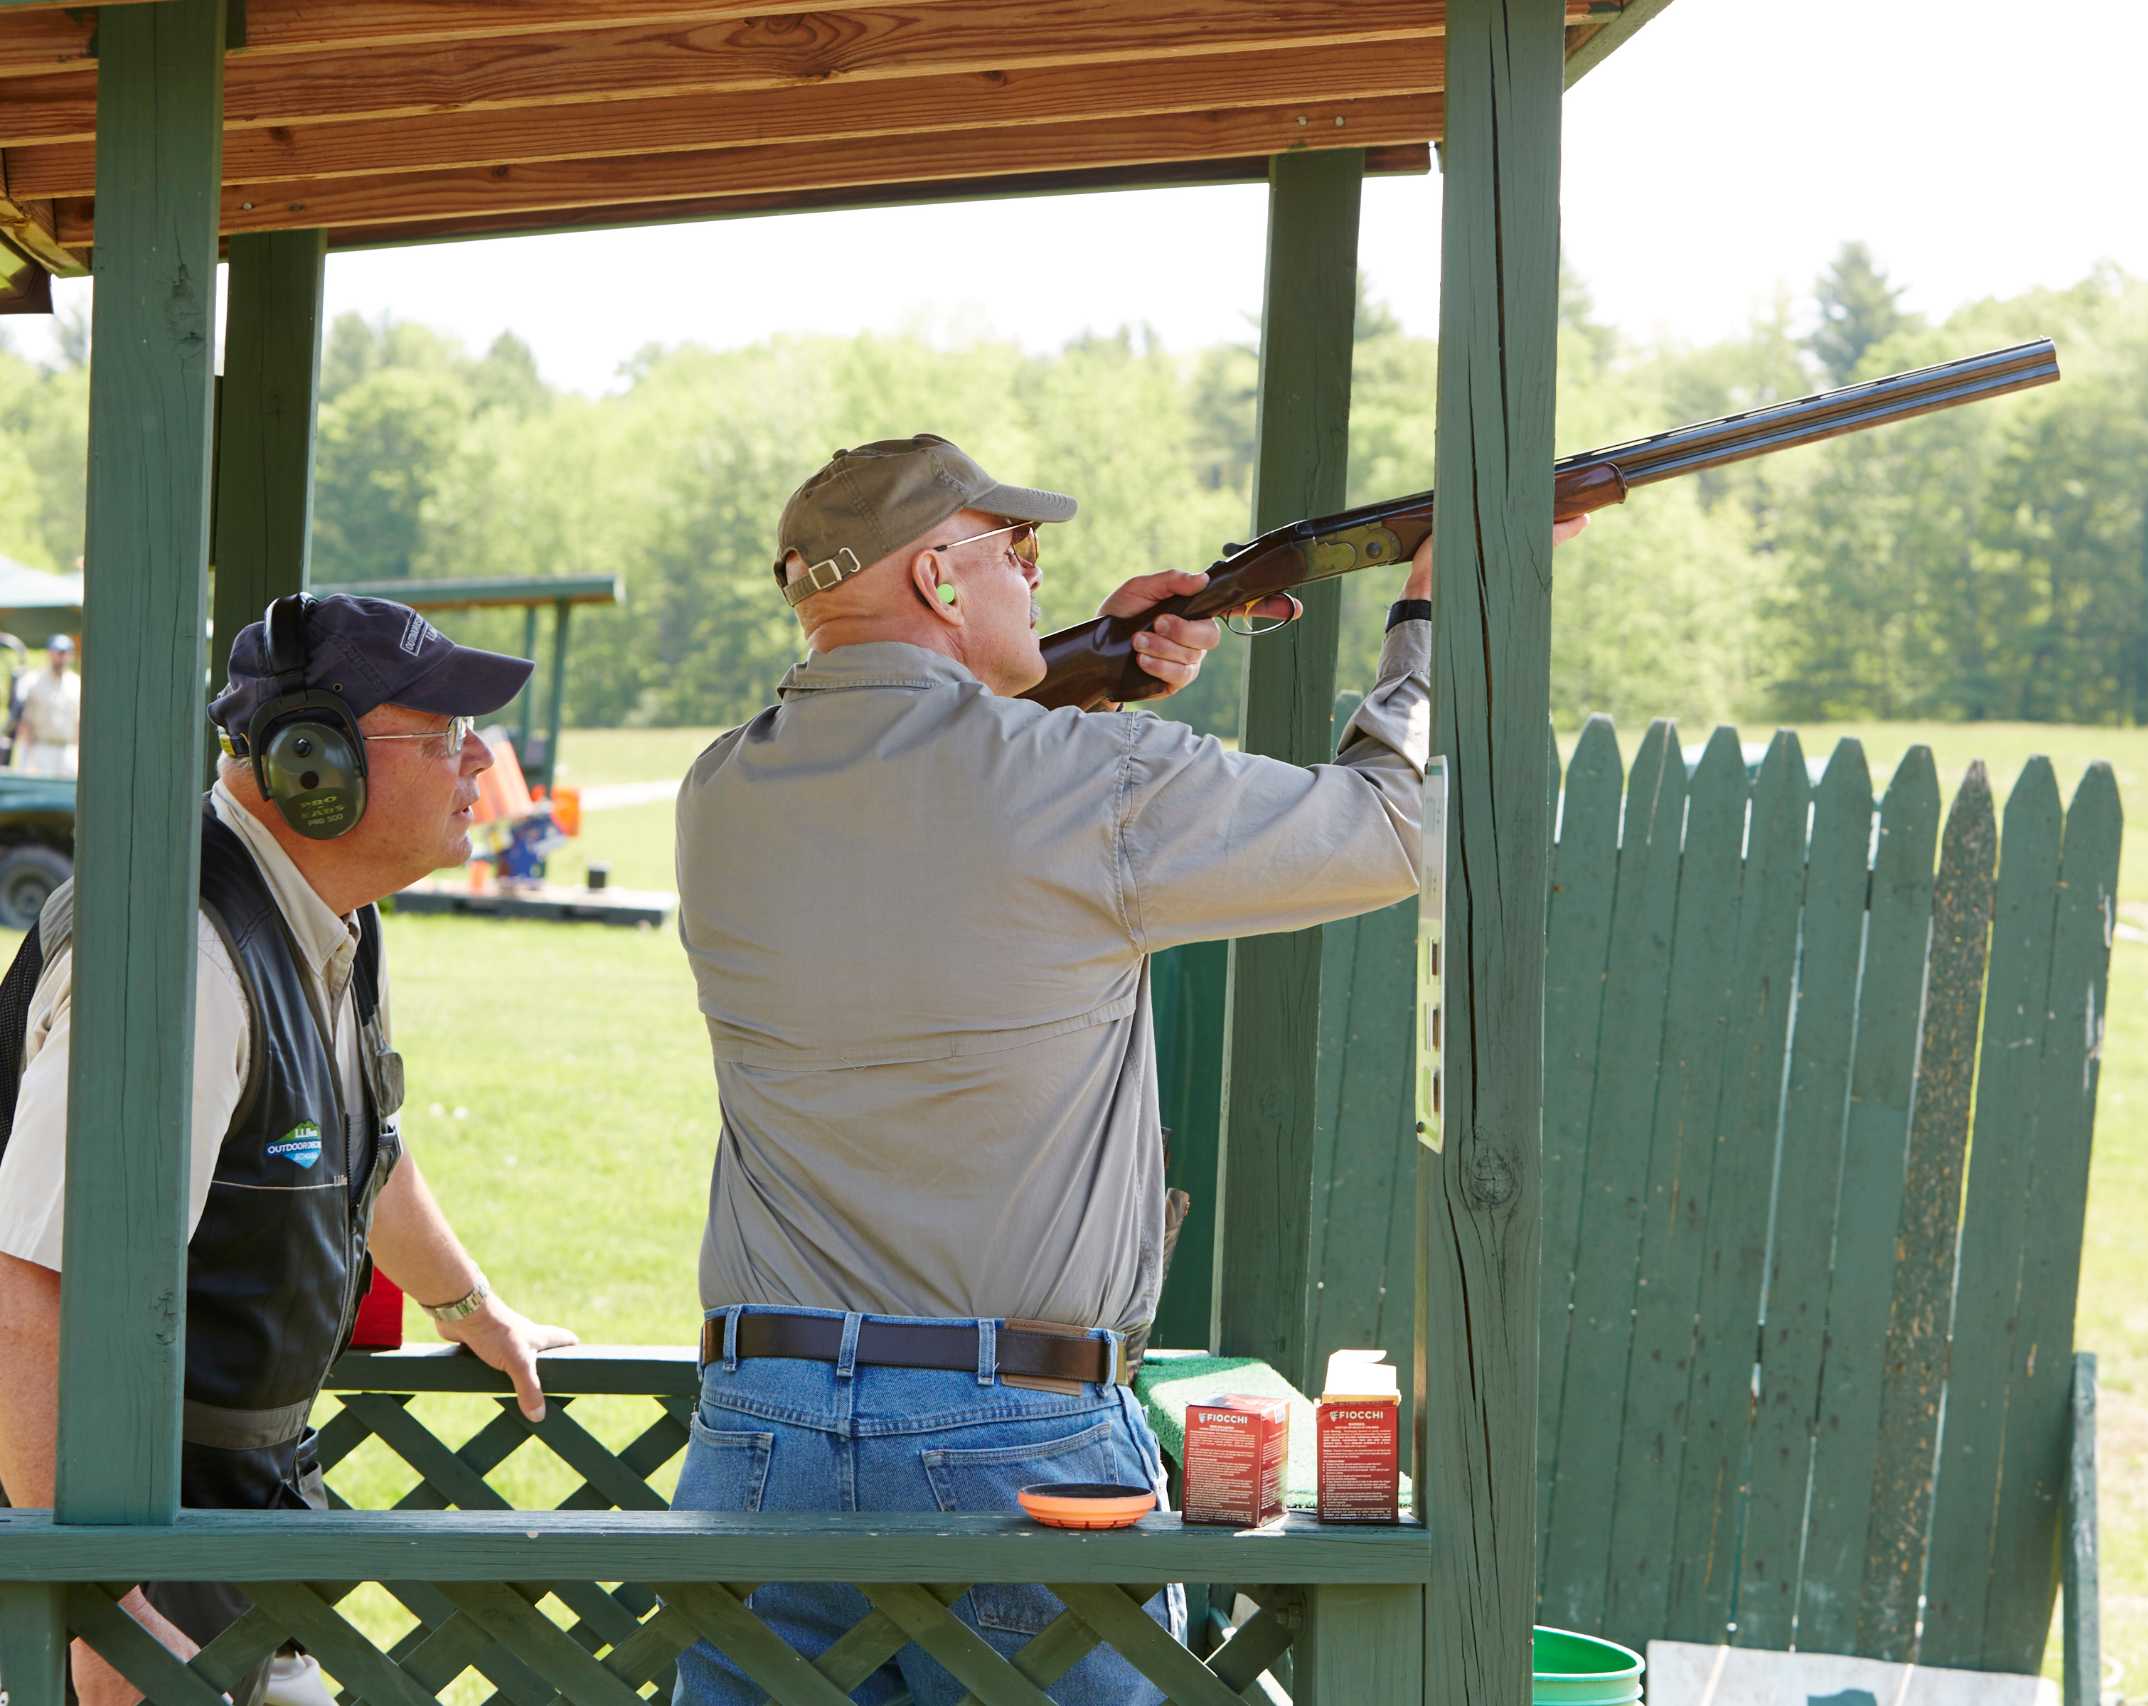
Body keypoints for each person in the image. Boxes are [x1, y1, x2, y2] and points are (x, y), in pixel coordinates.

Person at [669, 433, 1583, 1706]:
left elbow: (922, 778)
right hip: (1015, 1433)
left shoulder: (724, 787)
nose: (1036, 579)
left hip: (759, 1428)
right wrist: (1430, 612)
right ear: (940, 577)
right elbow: (1398, 824)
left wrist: (1089, 668)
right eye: (1018, 552)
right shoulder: (1087, 781)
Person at [0, 594, 580, 1706]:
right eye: (448, 733)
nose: (479, 764)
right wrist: (98, 1607)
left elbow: (360, 1146)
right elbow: (30, 1279)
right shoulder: (180, 957)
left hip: (218, 1541)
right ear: (312, 762)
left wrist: (471, 1309)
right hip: (112, 1565)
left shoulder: (322, 917)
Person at [12, 633, 80, 775]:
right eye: (59, 652)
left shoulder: (77, 684)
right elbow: (24, 722)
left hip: (67, 751)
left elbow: (79, 723)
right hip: (40, 749)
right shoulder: (32, 681)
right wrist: (28, 758)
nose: (62, 657)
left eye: (66, 653)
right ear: (50, 653)